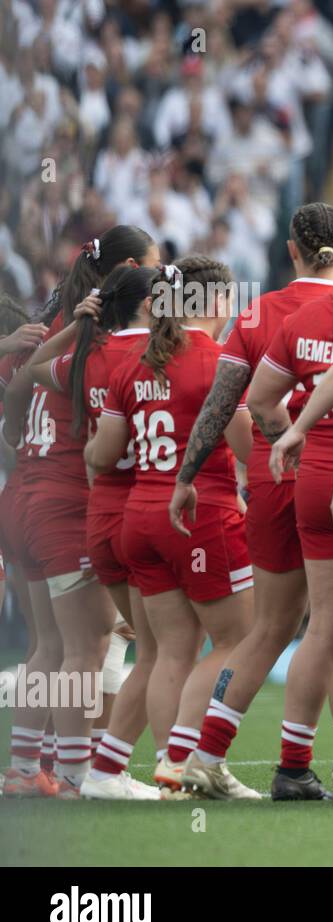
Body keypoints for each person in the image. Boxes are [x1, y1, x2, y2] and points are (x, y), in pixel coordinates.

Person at [184, 209, 333, 800]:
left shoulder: (282, 313)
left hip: (300, 476)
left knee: (306, 627)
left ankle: (273, 763)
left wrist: (290, 441)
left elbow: (248, 400)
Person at [168, 202, 333, 799]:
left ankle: (206, 755)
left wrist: (185, 476)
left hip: (272, 480)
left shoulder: (257, 313)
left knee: (270, 628)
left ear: (290, 250)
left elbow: (221, 406)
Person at [86, 262, 255, 798]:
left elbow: (105, 454)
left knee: (167, 651)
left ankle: (162, 769)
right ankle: (185, 758)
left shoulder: (136, 363)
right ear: (217, 301)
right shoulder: (215, 360)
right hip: (200, 515)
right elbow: (248, 444)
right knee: (236, 638)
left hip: (140, 513)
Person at [2, 225, 160, 798]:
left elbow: (17, 389)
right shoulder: (103, 343)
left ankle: (26, 769)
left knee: (49, 645)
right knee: (87, 646)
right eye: (150, 270)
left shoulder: (53, 333)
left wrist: (16, 434)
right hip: (67, 502)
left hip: (22, 497)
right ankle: (76, 774)